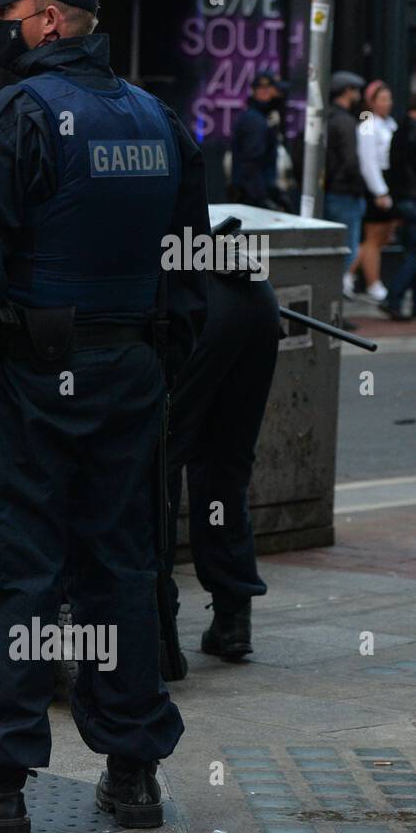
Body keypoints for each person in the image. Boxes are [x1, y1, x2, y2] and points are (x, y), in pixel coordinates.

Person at [0, 0, 209, 833]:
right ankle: (134, 775)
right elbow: (191, 266)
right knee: (124, 566)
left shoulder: (17, 118)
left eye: (8, 15)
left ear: (47, 21)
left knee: (5, 570)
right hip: (129, 377)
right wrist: (158, 367)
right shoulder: (158, 120)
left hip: (29, 384)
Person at [163, 250, 281, 664]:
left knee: (154, 463)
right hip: (251, 299)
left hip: (199, 303)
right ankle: (233, 617)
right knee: (223, 463)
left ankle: (158, 630)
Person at [350, 80, 399, 303]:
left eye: (389, 99)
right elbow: (368, 160)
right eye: (382, 99)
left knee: (381, 236)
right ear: (371, 101)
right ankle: (368, 281)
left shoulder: (389, 123)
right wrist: (379, 190)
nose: (387, 103)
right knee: (372, 236)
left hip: (388, 181)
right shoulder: (367, 121)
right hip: (376, 183)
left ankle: (353, 276)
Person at [324, 72, 368, 304]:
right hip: (345, 194)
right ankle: (336, 304)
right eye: (356, 90)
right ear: (348, 91)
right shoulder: (345, 121)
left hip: (332, 192)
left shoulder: (329, 117)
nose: (358, 95)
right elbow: (352, 161)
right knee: (346, 250)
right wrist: (357, 184)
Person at [229, 71, 289, 210]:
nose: (279, 95)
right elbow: (251, 165)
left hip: (254, 197)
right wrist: (263, 200)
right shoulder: (255, 121)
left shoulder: (260, 119)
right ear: (263, 91)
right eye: (277, 90)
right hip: (253, 201)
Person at [382, 94, 416, 321]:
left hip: (404, 197)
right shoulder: (413, 132)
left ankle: (411, 304)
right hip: (413, 198)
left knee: (413, 251)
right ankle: (393, 297)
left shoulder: (398, 129)